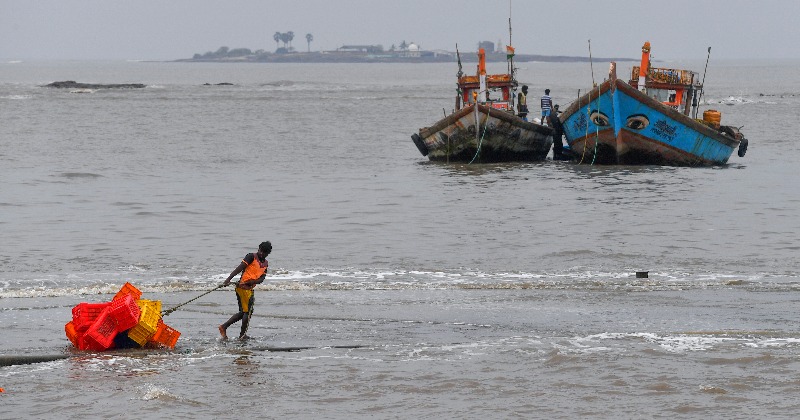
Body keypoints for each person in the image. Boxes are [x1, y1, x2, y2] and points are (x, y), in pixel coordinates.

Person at [219, 241, 272, 340]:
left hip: (249, 288)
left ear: (267, 253)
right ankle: (242, 335)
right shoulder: (251, 256)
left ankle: (224, 327)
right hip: (242, 288)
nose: (261, 253)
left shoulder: (265, 263)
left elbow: (262, 278)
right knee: (248, 312)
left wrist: (253, 281)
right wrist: (228, 279)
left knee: (244, 312)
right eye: (260, 251)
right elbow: (239, 268)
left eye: (264, 252)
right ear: (258, 249)